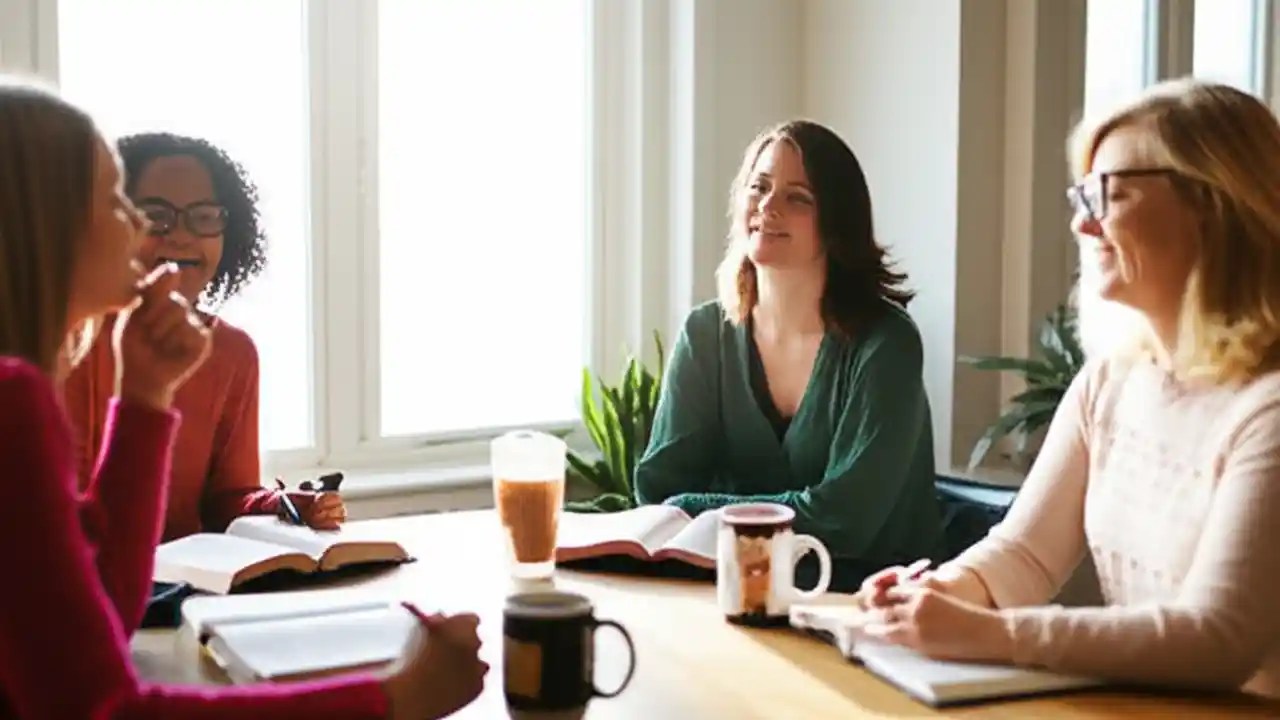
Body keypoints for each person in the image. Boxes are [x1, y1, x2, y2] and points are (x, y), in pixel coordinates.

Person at [0, 76, 486, 718]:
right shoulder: (14, 403)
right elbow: (104, 708)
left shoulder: (33, 388)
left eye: (202, 217)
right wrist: (394, 698)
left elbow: (105, 622)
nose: (144, 229)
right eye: (119, 202)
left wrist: (147, 395)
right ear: (48, 224)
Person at [858, 78, 1280, 699]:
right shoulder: (1110, 379)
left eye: (1109, 193)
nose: (1083, 225)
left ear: (1212, 204)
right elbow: (1025, 554)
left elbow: (1216, 638)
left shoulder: (1266, 409)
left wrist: (985, 635)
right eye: (1082, 196)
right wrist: (938, 595)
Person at [633, 119, 943, 590]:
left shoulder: (887, 344)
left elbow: (846, 521)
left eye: (798, 197)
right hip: (733, 589)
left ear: (838, 224)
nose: (768, 206)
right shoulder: (704, 333)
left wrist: (698, 509)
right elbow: (657, 491)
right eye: (758, 187)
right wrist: (700, 510)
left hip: (870, 604)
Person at [65, 132, 345, 539]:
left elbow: (226, 500)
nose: (181, 236)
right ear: (114, 223)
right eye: (156, 215)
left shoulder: (233, 352)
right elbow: (63, 512)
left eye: (204, 216)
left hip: (189, 586)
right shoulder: (72, 340)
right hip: (95, 582)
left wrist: (279, 505)